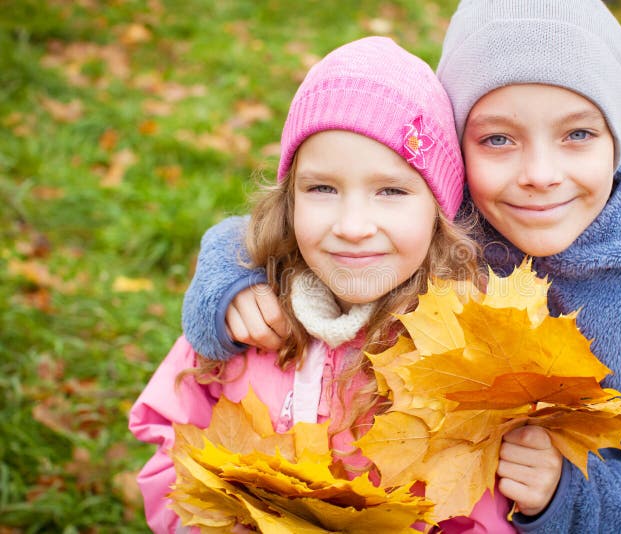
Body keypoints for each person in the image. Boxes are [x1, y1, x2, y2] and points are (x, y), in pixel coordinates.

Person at [177, 1, 621, 532]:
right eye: (498, 139)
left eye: (577, 134)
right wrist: (229, 283)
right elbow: (292, 221)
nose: (540, 174)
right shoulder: (437, 216)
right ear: (452, 149)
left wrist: (568, 494)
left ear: (616, 136)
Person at [127, 36, 523, 533]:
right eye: (322, 188)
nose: (353, 226)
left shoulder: (463, 354)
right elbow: (170, 446)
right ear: (289, 199)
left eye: (391, 191)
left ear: (439, 211)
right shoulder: (242, 315)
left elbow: (481, 513)